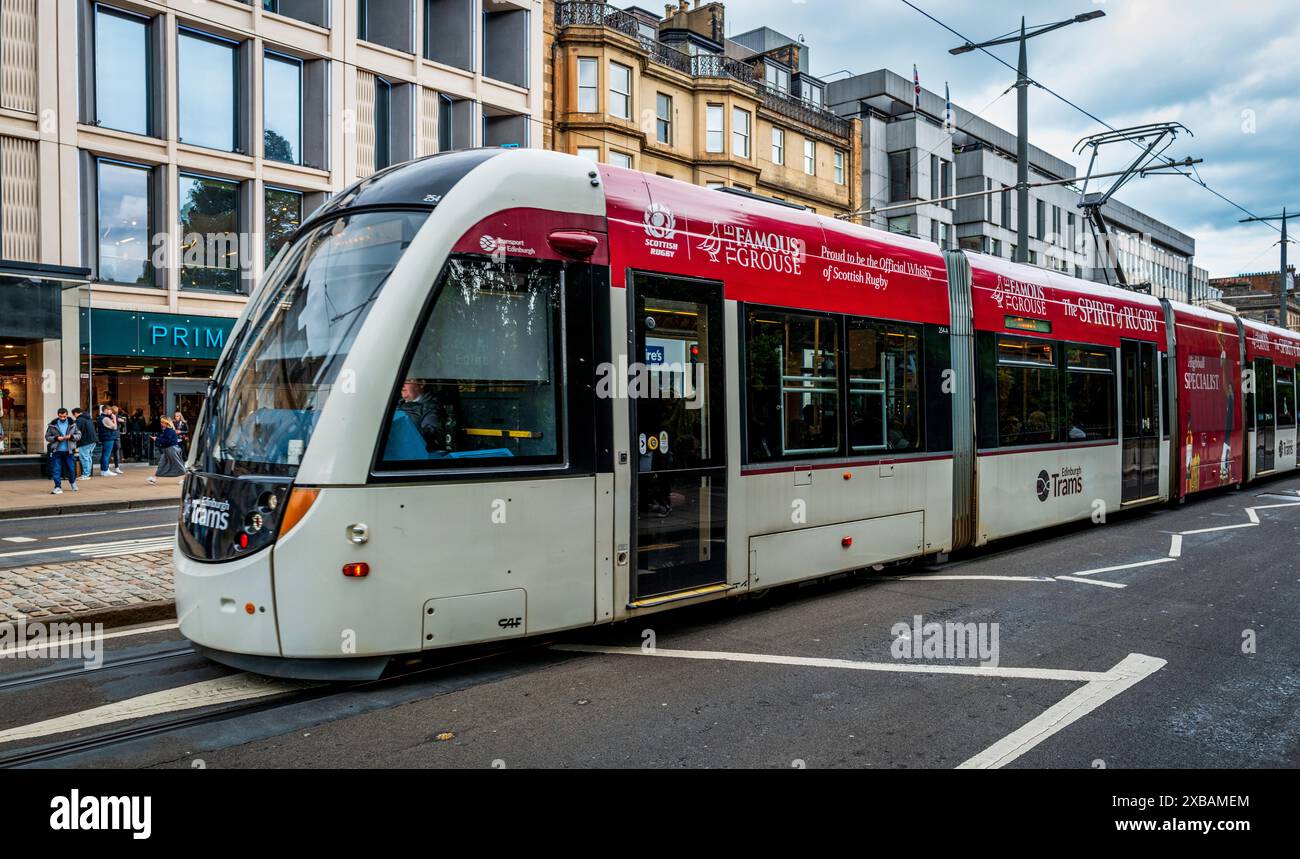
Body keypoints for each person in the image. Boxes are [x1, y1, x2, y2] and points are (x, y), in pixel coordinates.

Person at [45, 407, 80, 494]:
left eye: (64, 416)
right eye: (60, 417)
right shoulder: (52, 425)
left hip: (69, 451)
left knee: (71, 469)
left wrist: (71, 437)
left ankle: (72, 482)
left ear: (67, 415)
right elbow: (47, 437)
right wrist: (56, 438)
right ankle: (57, 487)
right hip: (56, 451)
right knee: (56, 469)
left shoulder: (73, 424)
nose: (62, 418)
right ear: (58, 415)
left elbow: (79, 435)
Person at [148, 418, 186, 485]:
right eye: (161, 422)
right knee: (162, 464)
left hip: (172, 449)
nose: (161, 424)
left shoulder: (169, 431)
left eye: (162, 422)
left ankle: (185, 479)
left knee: (178, 464)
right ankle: (154, 478)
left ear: (166, 423)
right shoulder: (167, 430)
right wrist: (157, 439)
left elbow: (167, 441)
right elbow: (165, 440)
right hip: (167, 450)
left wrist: (157, 439)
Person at [73, 407, 98, 481]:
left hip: (85, 441)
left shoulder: (79, 420)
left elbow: (75, 430)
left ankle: (86, 474)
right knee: (88, 457)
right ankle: (87, 473)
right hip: (93, 440)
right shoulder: (88, 418)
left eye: (74, 415)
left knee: (84, 458)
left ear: (75, 413)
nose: (74, 416)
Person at [96, 404, 119, 477]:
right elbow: (114, 427)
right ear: (106, 410)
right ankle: (105, 470)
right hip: (108, 438)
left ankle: (103, 470)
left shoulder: (100, 418)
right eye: (110, 410)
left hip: (104, 437)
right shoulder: (105, 418)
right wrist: (114, 419)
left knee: (104, 454)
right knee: (106, 455)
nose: (111, 412)